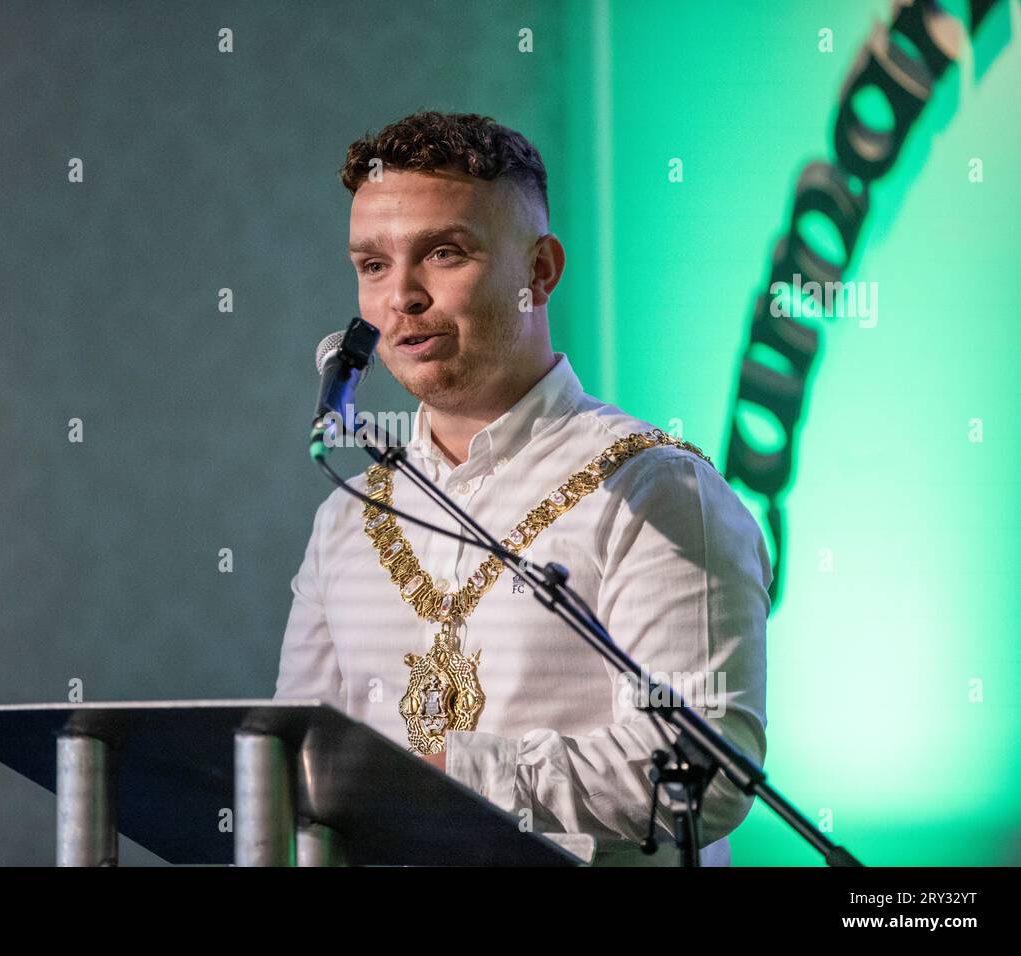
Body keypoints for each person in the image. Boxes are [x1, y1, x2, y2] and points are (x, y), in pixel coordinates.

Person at [274, 110, 772, 866]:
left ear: (539, 271)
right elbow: (294, 769)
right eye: (372, 265)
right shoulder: (347, 519)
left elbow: (706, 779)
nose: (401, 296)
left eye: (443, 253)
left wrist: (450, 776)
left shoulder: (656, 491)